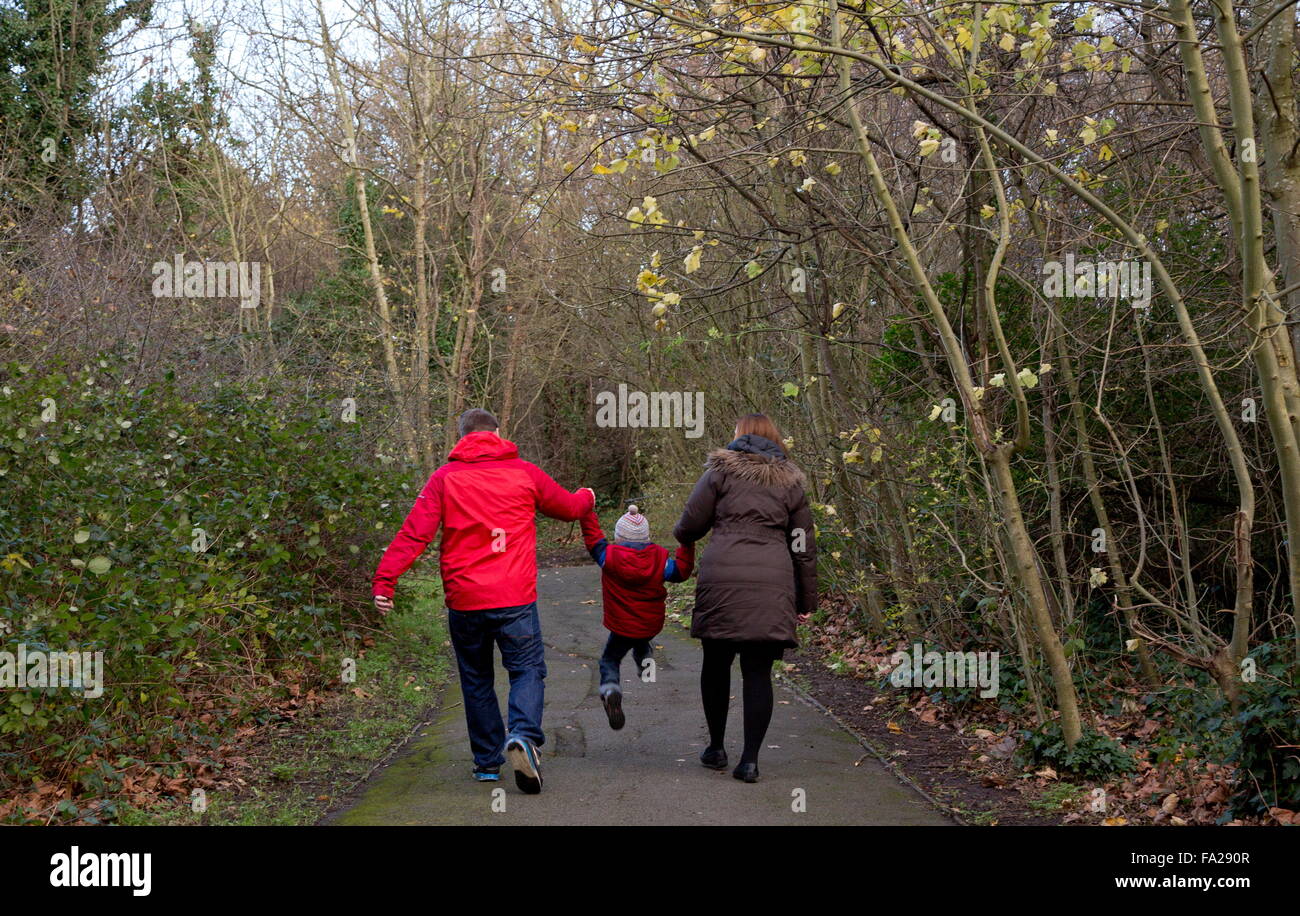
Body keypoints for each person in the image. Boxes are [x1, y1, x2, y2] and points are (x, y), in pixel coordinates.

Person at [372, 408, 594, 794]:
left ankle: (488, 763)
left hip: (465, 599)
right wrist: (587, 496)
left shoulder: (445, 479)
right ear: (497, 433)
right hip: (515, 597)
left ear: (461, 436)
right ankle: (523, 736)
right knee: (526, 670)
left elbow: (414, 534)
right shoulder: (524, 473)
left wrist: (385, 580)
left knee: (476, 680)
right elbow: (569, 509)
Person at [673, 413, 817, 783]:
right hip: (772, 585)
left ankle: (716, 748)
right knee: (758, 672)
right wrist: (805, 602)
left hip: (722, 578)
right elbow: (802, 546)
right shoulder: (792, 482)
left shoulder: (719, 472)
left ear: (739, 437)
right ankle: (750, 760)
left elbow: (689, 526)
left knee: (716, 664)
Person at [578, 504, 694, 730]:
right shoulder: (660, 561)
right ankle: (646, 669)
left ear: (618, 536)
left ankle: (611, 689)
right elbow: (681, 572)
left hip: (621, 626)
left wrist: (587, 510)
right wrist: (686, 543)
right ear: (646, 538)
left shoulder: (608, 556)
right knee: (642, 640)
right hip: (649, 624)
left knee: (610, 659)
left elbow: (593, 538)